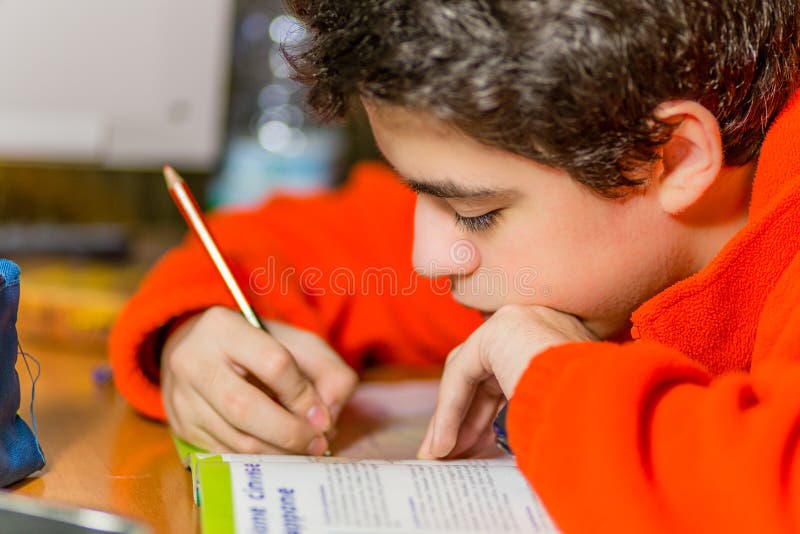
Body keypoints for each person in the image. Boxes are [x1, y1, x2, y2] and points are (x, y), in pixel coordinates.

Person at [110, 1, 800, 531]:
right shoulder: (582, 220)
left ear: (673, 158)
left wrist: (547, 372)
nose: (427, 257)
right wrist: (198, 329)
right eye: (420, 191)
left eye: (474, 214)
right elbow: (294, 244)